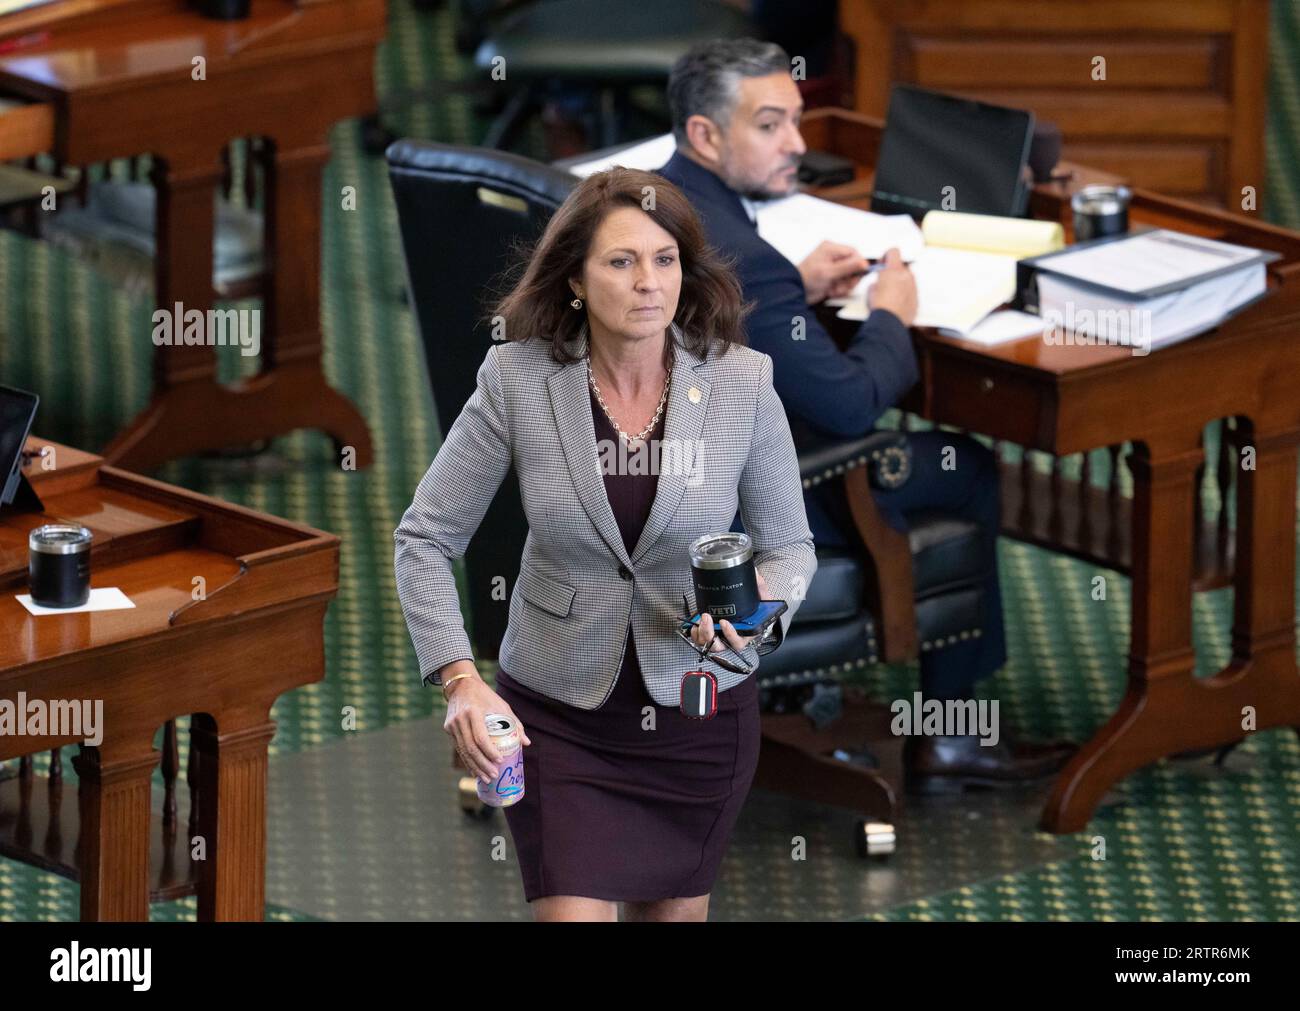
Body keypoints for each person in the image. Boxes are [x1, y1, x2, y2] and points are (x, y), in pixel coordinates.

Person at [394, 167, 817, 921]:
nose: (648, 282)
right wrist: (460, 678)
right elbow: (424, 539)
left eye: (665, 259)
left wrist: (757, 615)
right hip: (558, 713)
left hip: (699, 713)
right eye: (621, 262)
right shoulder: (517, 380)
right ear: (577, 282)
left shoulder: (743, 384)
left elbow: (789, 545)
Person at [658, 39, 1075, 792]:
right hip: (744, 514)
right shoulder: (746, 260)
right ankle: (950, 737)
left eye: (798, 120)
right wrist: (889, 315)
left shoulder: (657, 204)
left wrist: (795, 290)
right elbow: (850, 406)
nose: (799, 144)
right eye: (772, 125)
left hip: (663, 491)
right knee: (967, 467)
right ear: (705, 135)